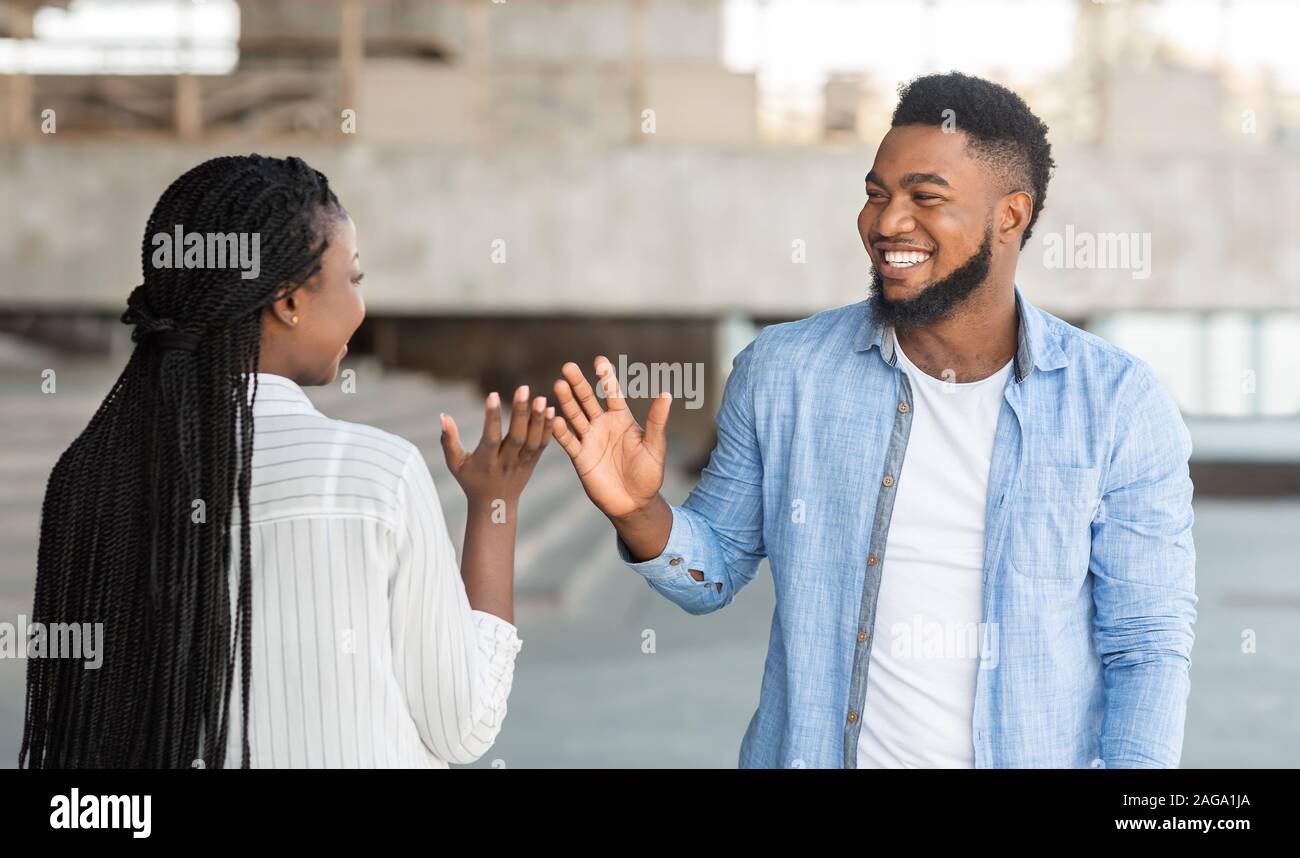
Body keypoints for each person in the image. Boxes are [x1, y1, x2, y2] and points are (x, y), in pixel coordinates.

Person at [548, 72, 1197, 769]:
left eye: (926, 197)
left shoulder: (1116, 404)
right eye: (876, 193)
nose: (887, 223)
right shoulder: (784, 372)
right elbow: (716, 570)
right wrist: (639, 512)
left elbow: (1148, 644)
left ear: (1010, 217)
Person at [21, 154, 551, 768]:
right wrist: (496, 505)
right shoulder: (377, 476)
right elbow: (464, 726)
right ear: (289, 302)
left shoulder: (90, 478)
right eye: (353, 278)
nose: (360, 306)